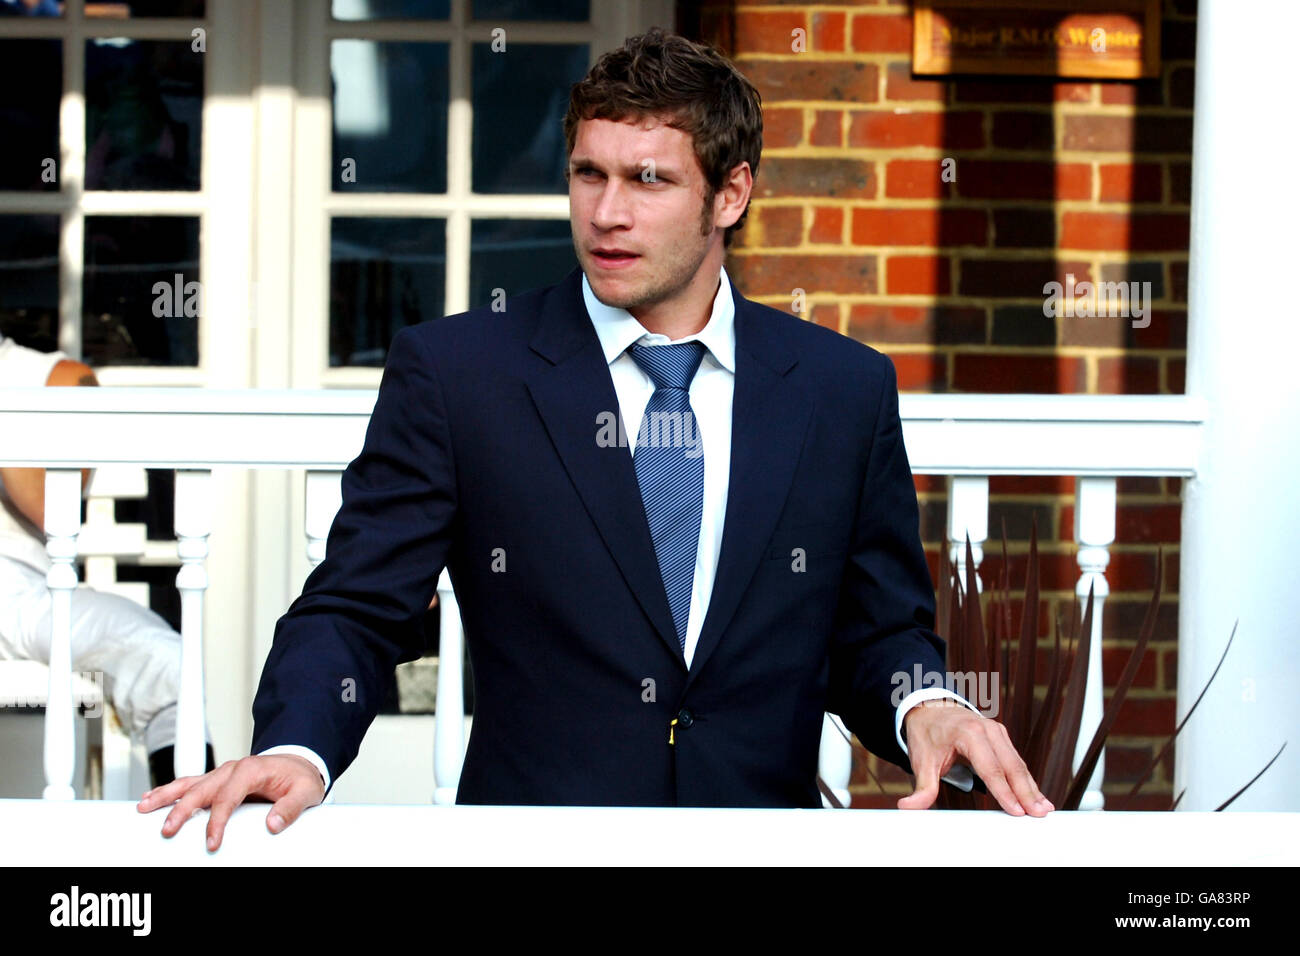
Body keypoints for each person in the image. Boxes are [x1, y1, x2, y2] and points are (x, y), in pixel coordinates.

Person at [140, 28, 1052, 850]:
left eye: (648, 179)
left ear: (730, 193)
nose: (607, 212)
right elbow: (356, 607)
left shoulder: (842, 388)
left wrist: (924, 705)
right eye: (589, 174)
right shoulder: (462, 373)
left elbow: (877, 629)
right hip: (534, 858)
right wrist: (300, 746)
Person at [0, 333, 215, 787]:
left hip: (19, 597)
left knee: (164, 660)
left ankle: (194, 837)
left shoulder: (60, 378)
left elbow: (49, 507)